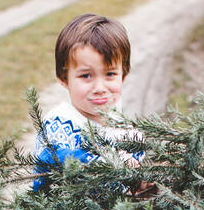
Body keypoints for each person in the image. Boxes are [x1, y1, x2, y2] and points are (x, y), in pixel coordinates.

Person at [32, 13, 155, 195]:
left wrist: (144, 181)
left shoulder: (126, 130)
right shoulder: (59, 124)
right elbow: (69, 161)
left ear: (124, 75)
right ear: (64, 79)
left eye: (110, 74)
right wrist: (121, 166)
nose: (99, 87)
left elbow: (137, 176)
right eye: (86, 76)